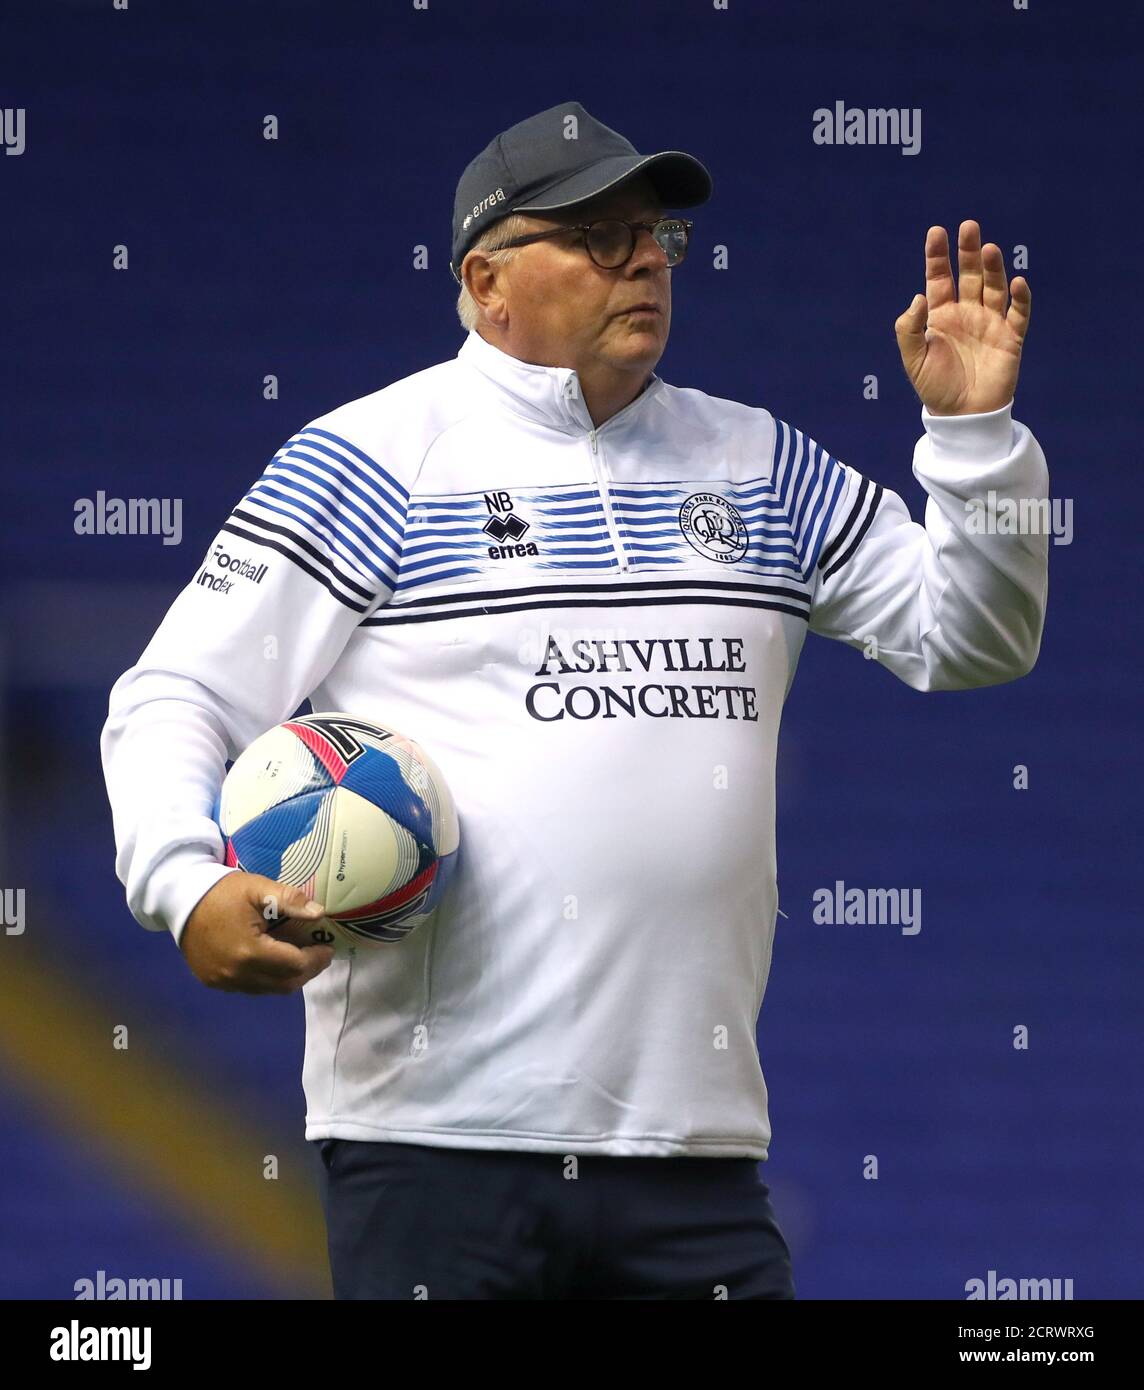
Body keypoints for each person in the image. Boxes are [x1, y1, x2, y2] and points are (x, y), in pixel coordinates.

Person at [100, 99, 1047, 1300]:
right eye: (599, 236)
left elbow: (972, 637)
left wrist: (973, 438)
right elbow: (173, 691)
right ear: (487, 280)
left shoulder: (757, 462)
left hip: (695, 1154)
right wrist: (184, 884)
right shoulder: (370, 458)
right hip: (436, 1147)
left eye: (655, 236)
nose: (645, 258)